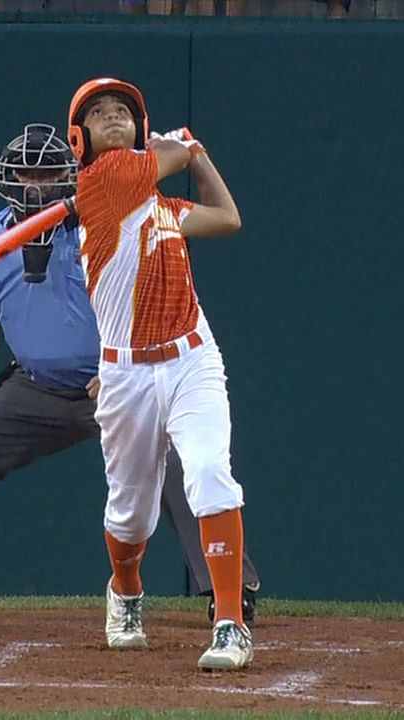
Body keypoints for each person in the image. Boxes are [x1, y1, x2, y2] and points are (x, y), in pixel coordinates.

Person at [0, 123, 259, 622]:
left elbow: (140, 291)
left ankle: (230, 590)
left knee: (183, 461)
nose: (35, 185)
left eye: (49, 172)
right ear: (5, 178)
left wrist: (113, 364)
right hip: (36, 386)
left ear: (72, 173)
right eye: (23, 174)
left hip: (120, 375)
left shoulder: (106, 218)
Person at [66, 77, 251, 670]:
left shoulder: (162, 204)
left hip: (191, 355)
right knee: (131, 511)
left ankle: (230, 624)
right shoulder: (99, 184)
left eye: (123, 111)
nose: (114, 119)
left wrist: (201, 156)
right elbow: (167, 158)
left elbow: (226, 217)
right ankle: (125, 590)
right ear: (81, 139)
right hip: (125, 374)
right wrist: (185, 147)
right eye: (99, 115)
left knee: (208, 472)